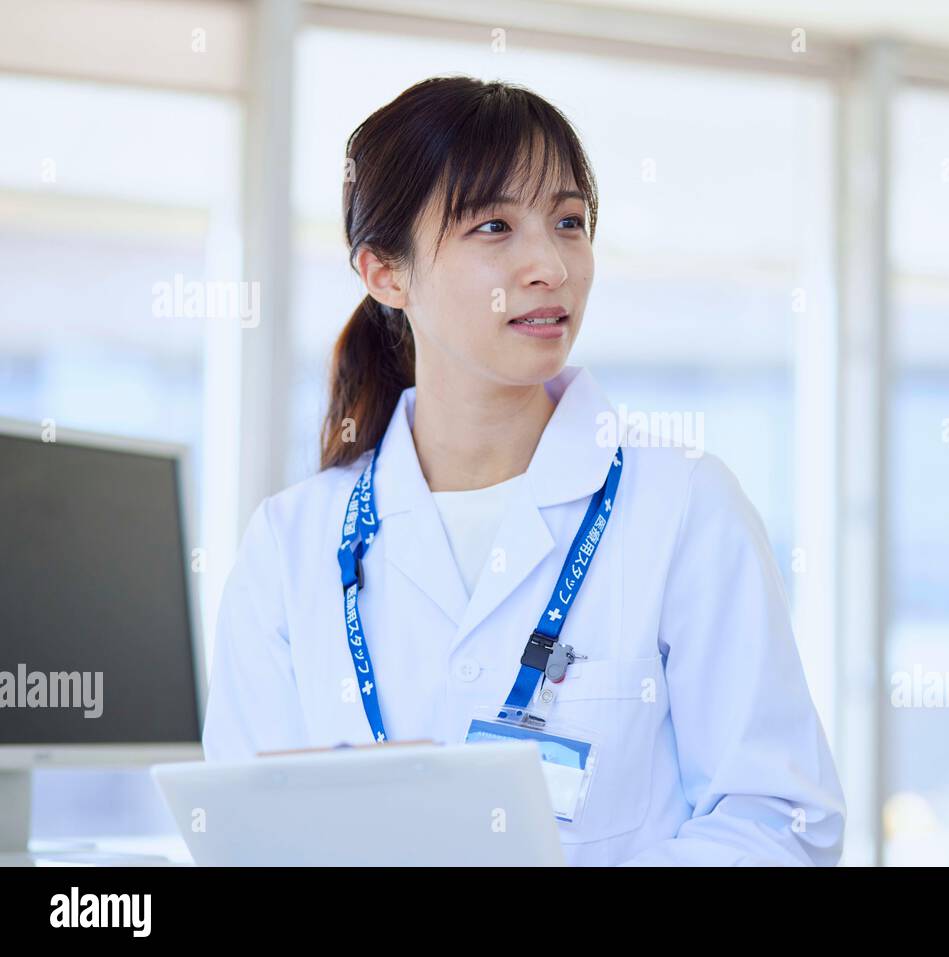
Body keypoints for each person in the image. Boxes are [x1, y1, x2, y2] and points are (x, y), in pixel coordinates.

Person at [201, 76, 845, 867]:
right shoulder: (289, 544)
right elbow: (244, 835)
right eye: (495, 225)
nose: (550, 265)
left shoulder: (681, 505)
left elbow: (780, 818)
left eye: (569, 222)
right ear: (385, 273)